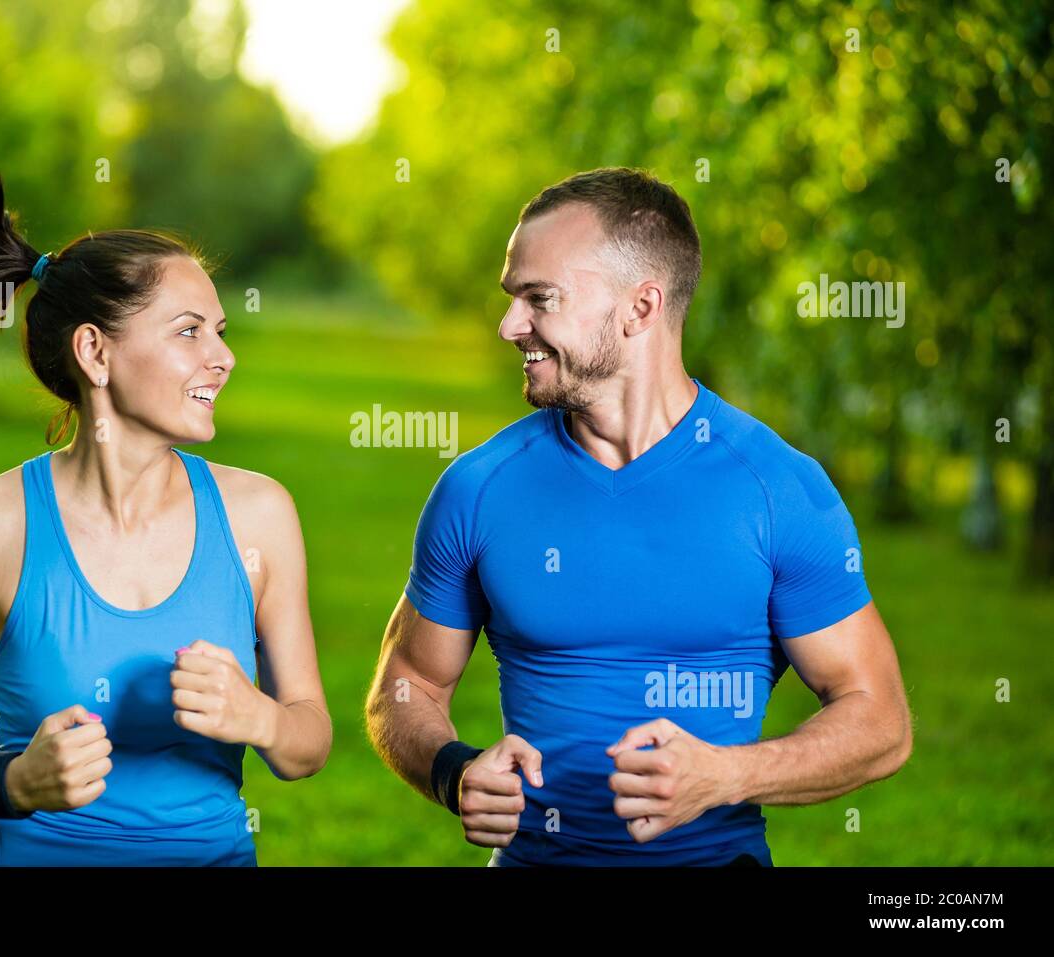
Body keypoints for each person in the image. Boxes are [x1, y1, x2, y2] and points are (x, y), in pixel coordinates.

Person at [366, 167, 913, 866]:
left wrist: (727, 774)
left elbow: (880, 717)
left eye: (540, 298)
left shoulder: (778, 487)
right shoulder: (478, 488)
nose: (509, 324)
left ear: (641, 307)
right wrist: (455, 769)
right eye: (512, 298)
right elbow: (404, 683)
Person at [0, 149, 331, 866]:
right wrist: (12, 780)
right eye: (190, 331)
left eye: (222, 331)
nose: (223, 357)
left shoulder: (260, 514)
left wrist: (262, 717)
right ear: (95, 352)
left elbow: (308, 741)